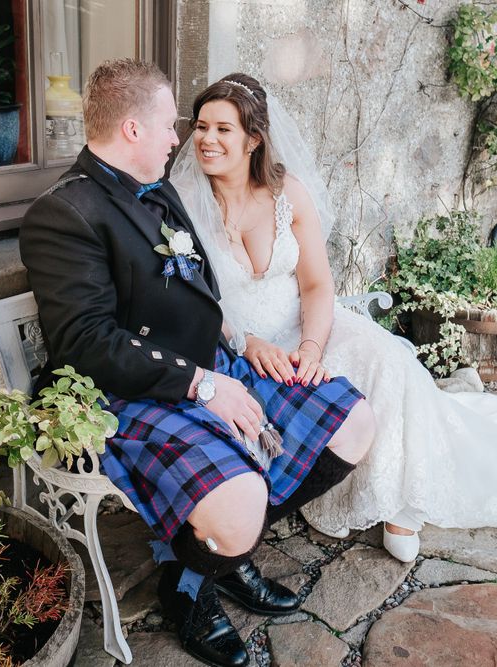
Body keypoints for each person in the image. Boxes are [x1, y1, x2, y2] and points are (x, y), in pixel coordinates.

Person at [171, 72, 497, 564]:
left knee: (389, 361)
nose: (207, 139)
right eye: (201, 127)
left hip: (308, 325)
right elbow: (190, 299)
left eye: (223, 129)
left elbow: (318, 286)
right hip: (239, 341)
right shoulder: (183, 205)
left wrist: (312, 348)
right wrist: (246, 341)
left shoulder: (288, 194)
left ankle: (402, 500)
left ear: (254, 139)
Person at [19, 60, 376, 667]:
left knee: (352, 423)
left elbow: (199, 290)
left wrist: (240, 347)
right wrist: (203, 385)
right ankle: (190, 588)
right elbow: (85, 343)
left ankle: (218, 559)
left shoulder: (157, 189)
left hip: (205, 364)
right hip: (123, 392)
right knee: (239, 502)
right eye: (168, 125)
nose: (176, 139)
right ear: (133, 129)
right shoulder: (66, 213)